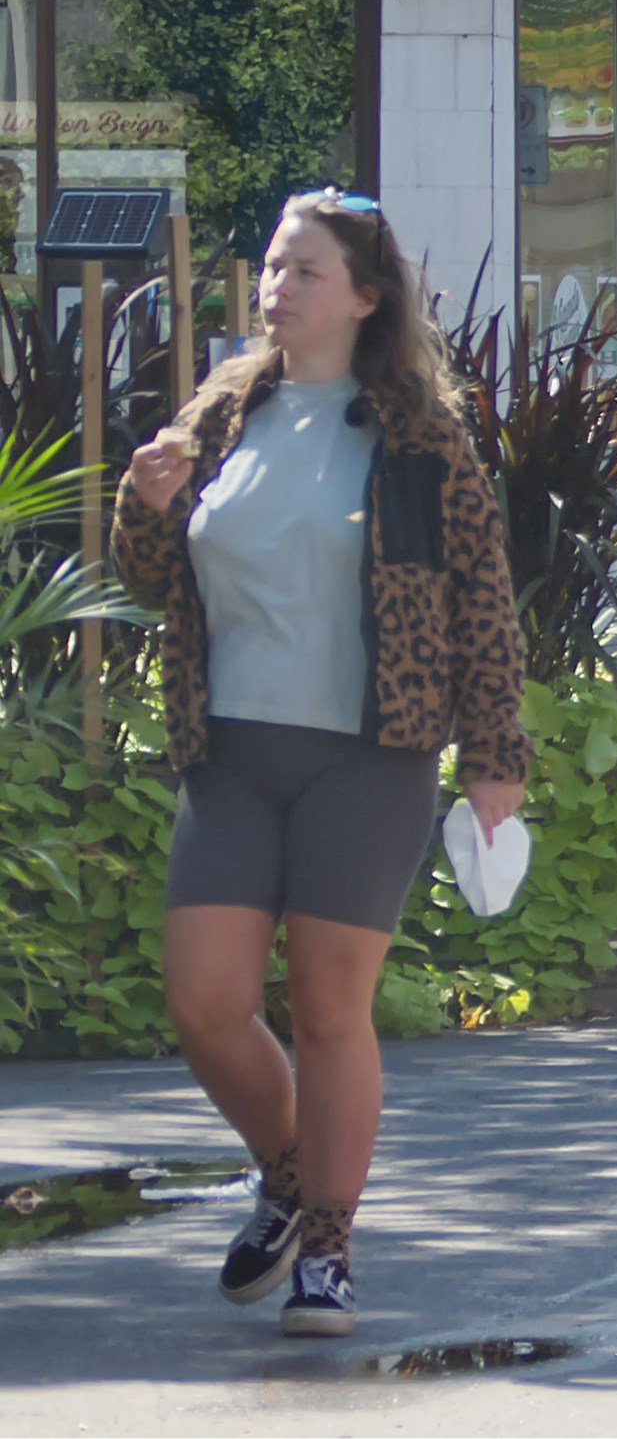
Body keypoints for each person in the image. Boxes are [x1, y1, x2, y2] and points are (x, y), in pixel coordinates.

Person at [114, 190, 523, 1338]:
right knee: (205, 1003)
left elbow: (482, 601)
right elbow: (156, 578)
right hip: (229, 752)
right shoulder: (224, 412)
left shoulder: (420, 433)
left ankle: (329, 1249)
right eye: (273, 267)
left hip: (368, 753)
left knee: (332, 1009)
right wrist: (143, 507)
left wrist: (495, 752)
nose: (275, 288)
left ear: (364, 295)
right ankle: (288, 1174)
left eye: (302, 271)